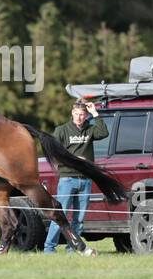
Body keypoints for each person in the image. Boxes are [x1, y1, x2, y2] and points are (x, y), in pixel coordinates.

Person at [43, 98, 108, 253]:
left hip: (85, 179)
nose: (79, 117)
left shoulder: (90, 129)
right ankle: (49, 248)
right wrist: (75, 159)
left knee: (79, 219)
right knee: (61, 215)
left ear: (86, 115)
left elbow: (104, 133)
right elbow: (54, 153)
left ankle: (72, 249)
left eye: (82, 114)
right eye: (77, 114)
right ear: (72, 113)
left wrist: (95, 113)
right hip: (67, 179)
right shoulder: (62, 130)